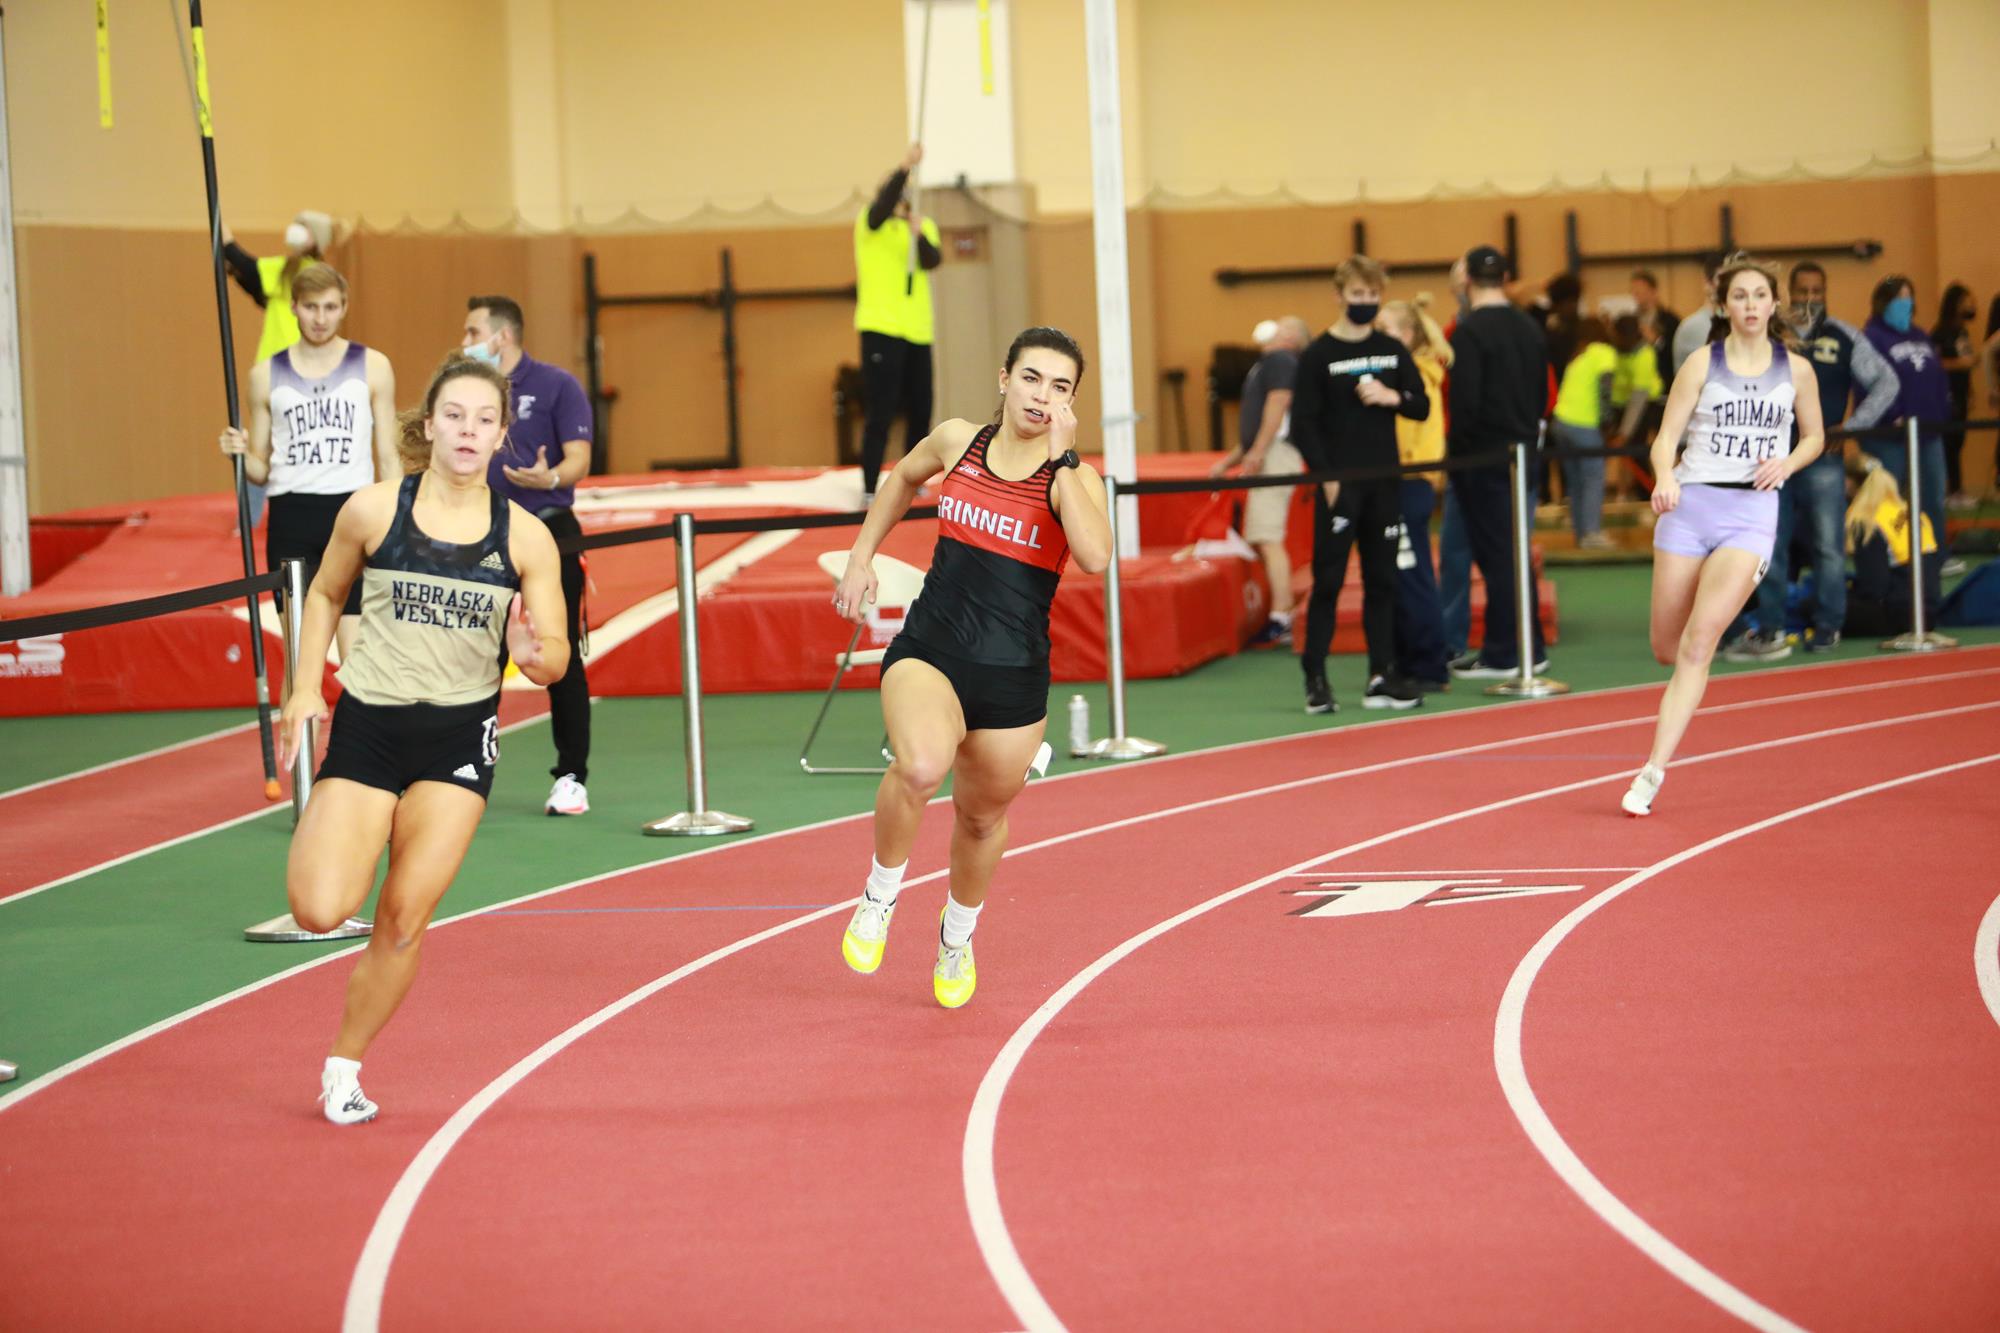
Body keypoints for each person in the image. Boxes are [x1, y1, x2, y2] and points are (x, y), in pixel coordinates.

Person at [279, 355, 570, 1123]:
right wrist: (304, 686)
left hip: (458, 739)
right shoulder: (373, 510)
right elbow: (324, 592)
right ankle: (350, 841)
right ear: (429, 424)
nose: (468, 430)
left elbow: (556, 661)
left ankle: (344, 1065)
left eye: (484, 419)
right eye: (455, 415)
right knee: (318, 906)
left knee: (404, 916)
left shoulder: (527, 539)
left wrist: (534, 651)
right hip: (371, 725)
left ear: (502, 434)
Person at [833, 328, 1109, 1009]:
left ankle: (956, 938)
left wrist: (1064, 456)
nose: (1042, 396)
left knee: (981, 820)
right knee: (922, 765)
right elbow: (902, 476)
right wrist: (862, 554)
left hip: (1013, 679)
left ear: (1073, 401)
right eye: (1032, 378)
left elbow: (1097, 557)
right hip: (933, 649)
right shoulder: (960, 440)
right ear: (1004, 377)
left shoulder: (1073, 476)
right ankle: (879, 894)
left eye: (1060, 386)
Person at [1622, 254, 1823, 817]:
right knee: (1667, 645)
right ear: (1724, 305)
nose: (1751, 305)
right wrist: (1664, 474)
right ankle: (1678, 684)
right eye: (1740, 296)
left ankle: (1651, 770)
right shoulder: (1701, 363)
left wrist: (1786, 464)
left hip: (1750, 516)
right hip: (1690, 508)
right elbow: (1665, 439)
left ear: (1775, 303)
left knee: (1699, 641)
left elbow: (1815, 436)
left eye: (1760, 295)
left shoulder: (1796, 370)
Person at [219, 264, 396, 667]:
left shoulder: (373, 366)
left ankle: (355, 732)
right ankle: (299, 733)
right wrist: (240, 455)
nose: (321, 318)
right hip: (291, 518)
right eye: (312, 307)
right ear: (294, 308)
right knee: (301, 665)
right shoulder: (265, 375)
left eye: (330, 307)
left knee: (358, 662)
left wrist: (397, 518)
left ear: (344, 307)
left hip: (353, 514)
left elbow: (387, 454)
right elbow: (260, 470)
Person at [462, 296, 597, 816]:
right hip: (484, 531)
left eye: (473, 329)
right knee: (478, 653)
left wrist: (551, 477)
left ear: (502, 336)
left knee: (558, 655)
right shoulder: (472, 390)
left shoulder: (557, 385)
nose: (465, 338)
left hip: (550, 529)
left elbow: (580, 457)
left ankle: (571, 776)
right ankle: (467, 764)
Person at [1722, 261, 1898, 659]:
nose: (1809, 298)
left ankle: (1828, 626)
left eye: (1817, 291)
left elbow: (1888, 382)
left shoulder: (1844, 335)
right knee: (1768, 546)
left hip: (1821, 459)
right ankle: (1770, 628)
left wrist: (1851, 427)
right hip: (1769, 460)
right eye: (1802, 291)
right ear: (1789, 293)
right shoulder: (1766, 335)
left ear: (1825, 292)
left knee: (1829, 547)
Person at [1289, 257, 1430, 714]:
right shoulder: (1318, 355)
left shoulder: (1392, 349)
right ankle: (1315, 677)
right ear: (1339, 295)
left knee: (1382, 581)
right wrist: (1328, 479)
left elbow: (1421, 405)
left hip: (1385, 484)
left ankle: (1381, 674)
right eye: (1357, 296)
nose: (1365, 304)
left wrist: (1394, 397)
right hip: (1339, 487)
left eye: (1373, 297)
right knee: (1328, 583)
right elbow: (1304, 426)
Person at [1446, 245, 1551, 679]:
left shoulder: (1468, 332)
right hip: (1524, 452)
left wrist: (1456, 454)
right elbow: (1542, 396)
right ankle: (1525, 646)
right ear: (1505, 278)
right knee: (1513, 553)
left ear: (1467, 280)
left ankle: (1507, 652)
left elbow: (1464, 404)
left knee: (1497, 558)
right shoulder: (1529, 327)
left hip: (1483, 459)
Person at [1210, 316, 1309, 646]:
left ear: (1293, 338)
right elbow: (1256, 424)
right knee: (1263, 535)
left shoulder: (1281, 360)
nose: (1275, 327)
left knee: (1268, 537)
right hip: (1268, 452)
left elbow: (1278, 404)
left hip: (1276, 455)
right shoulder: (1266, 363)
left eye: (1285, 326)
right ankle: (1280, 613)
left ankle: (1282, 615)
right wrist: (1232, 460)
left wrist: (1259, 452)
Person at [854, 143, 943, 503]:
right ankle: (870, 487)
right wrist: (905, 166)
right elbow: (880, 209)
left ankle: (914, 478)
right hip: (881, 328)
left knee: (921, 407)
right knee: (881, 409)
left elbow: (932, 260)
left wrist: (919, 234)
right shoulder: (870, 225)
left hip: (917, 330)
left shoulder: (924, 227)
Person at [1860, 274, 1950, 605]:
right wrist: (1890, 414)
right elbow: (1867, 383)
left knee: (1931, 501)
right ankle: (1889, 573)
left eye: (1909, 297)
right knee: (1888, 504)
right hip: (1889, 436)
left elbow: (1937, 378)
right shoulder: (1871, 337)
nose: (1906, 304)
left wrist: (1942, 412)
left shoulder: (1920, 335)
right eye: (1899, 298)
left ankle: (1932, 567)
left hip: (1928, 433)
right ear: (1884, 302)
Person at [1378, 298, 1452, 689]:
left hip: (1408, 481)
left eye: (1386, 329)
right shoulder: (1411, 372)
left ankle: (1427, 665)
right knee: (1401, 573)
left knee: (1412, 574)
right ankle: (1407, 659)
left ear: (1407, 335)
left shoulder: (1417, 376)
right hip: (1404, 481)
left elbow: (1406, 434)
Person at [221, 209, 343, 362]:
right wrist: (237, 274)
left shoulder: (299, 270)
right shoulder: (310, 271)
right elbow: (262, 295)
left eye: (305, 227)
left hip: (284, 356)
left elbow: (246, 266)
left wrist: (223, 234)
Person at [1843, 455, 1938, 636]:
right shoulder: (1912, 511)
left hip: (1899, 615)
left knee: (1819, 604)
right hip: (1929, 612)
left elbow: (1875, 588)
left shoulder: (1866, 522)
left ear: (1849, 483)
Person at [1550, 316, 1619, 547]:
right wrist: (1608, 424)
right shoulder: (1604, 352)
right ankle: (1592, 533)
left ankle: (1581, 533)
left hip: (1561, 422)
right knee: (1592, 478)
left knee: (1575, 481)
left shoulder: (1578, 356)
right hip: (1584, 423)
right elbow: (1605, 389)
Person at [1931, 283, 1979, 507]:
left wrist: (1970, 391)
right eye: (1965, 302)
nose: (1971, 306)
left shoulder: (1963, 332)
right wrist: (1960, 363)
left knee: (1959, 441)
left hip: (1961, 393)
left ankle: (1958, 489)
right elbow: (1934, 363)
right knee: (1948, 443)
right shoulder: (1940, 333)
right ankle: (1951, 490)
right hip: (1946, 396)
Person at [1607, 313, 1663, 502]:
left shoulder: (1645, 353)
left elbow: (1638, 399)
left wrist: (1624, 432)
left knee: (1637, 449)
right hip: (1620, 404)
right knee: (1622, 451)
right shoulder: (1616, 350)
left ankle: (1646, 497)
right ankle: (1623, 492)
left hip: (1645, 405)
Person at [1671, 255, 1724, 374]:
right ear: (1708, 283)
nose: (1730, 286)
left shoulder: (1729, 322)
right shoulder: (1696, 326)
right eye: (1723, 280)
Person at [1630, 269, 1682, 391]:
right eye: (1633, 290)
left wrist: (1657, 341)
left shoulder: (1670, 321)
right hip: (1637, 385)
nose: (1635, 293)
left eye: (1640, 289)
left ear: (1653, 291)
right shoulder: (1631, 321)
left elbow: (1675, 353)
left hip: (1663, 385)